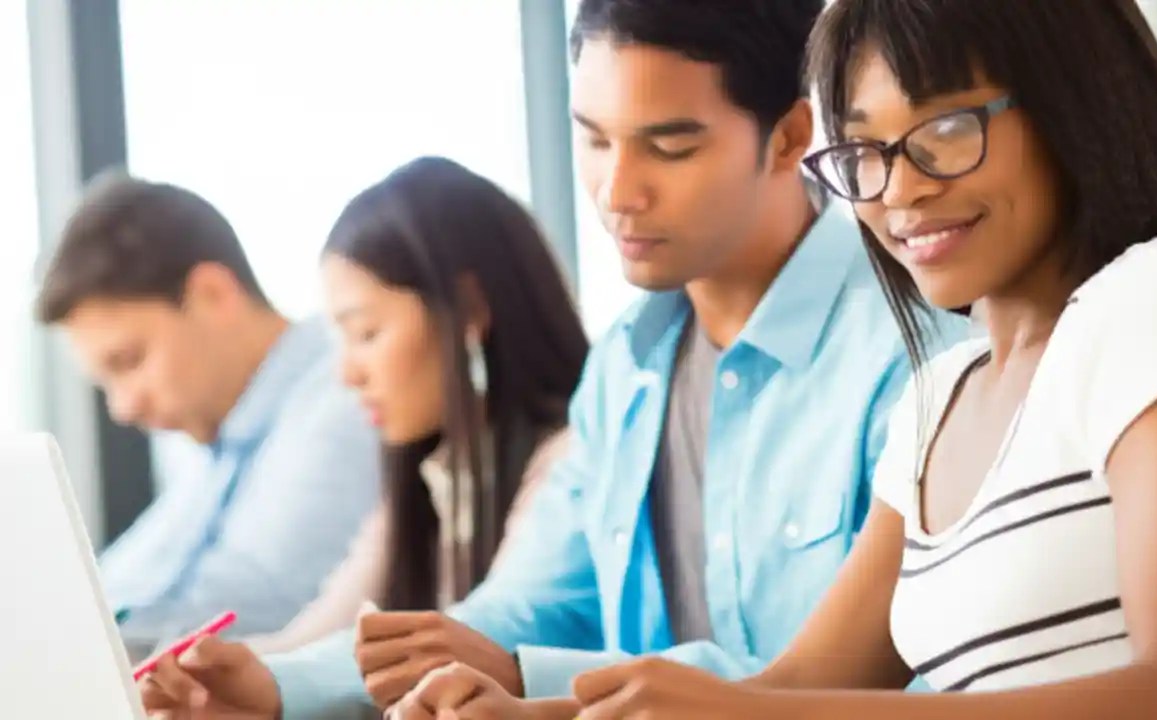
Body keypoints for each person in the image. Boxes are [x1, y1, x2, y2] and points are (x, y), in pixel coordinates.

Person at [426, 1, 1157, 719]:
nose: (900, 189)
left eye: (946, 130)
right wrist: (530, 714)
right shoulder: (940, 397)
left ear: (1073, 104)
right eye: (866, 152)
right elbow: (797, 685)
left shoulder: (1153, 305)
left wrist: (750, 713)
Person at [136, 2, 966, 718]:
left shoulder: (916, 352)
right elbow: (521, 610)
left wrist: (523, 676)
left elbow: (842, 682)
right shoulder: (626, 366)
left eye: (668, 148)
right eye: (594, 140)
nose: (617, 192)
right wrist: (280, 688)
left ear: (788, 138)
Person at [239, 157, 587, 655]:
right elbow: (308, 643)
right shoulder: (431, 481)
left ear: (469, 309)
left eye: (366, 333)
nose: (347, 374)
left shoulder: (569, 465)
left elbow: (485, 641)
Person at [34, 173, 381, 648]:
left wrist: (55, 643)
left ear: (213, 295)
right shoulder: (218, 449)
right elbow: (112, 584)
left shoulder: (345, 400)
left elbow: (261, 605)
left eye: (130, 361)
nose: (123, 407)